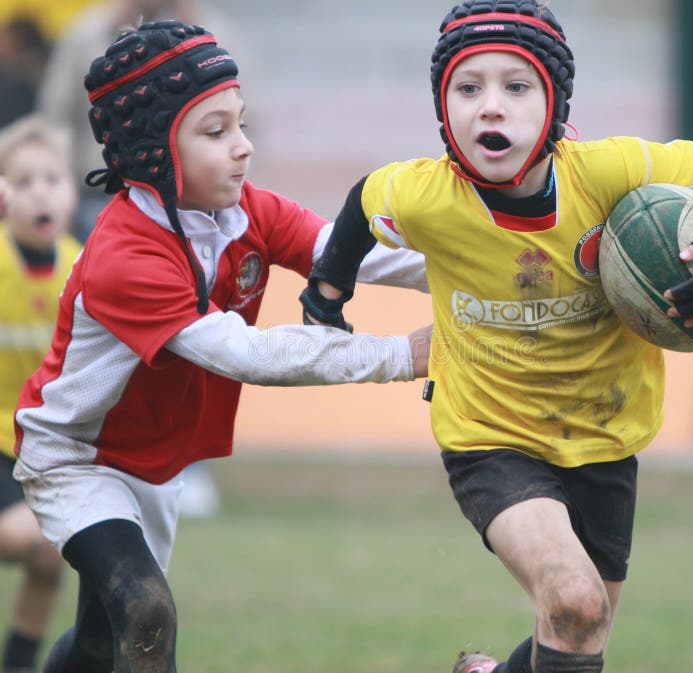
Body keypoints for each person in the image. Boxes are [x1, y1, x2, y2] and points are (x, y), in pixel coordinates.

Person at [300, 2, 693, 672]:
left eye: (516, 87)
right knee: (575, 602)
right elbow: (361, 206)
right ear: (444, 108)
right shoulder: (422, 194)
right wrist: (325, 294)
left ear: (553, 103)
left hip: (607, 435)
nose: (490, 107)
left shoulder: (607, 173)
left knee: (580, 627)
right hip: (489, 437)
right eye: (468, 88)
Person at [11, 20, 429, 673]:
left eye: (240, 124)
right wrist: (403, 354)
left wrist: (481, 268)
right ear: (154, 150)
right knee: (148, 613)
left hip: (155, 462)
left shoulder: (245, 209)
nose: (243, 147)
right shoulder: (125, 254)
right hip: (77, 459)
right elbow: (247, 354)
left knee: (98, 641)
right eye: (216, 132)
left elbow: (343, 251)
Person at [37, 0, 236, 242]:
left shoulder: (210, 30)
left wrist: (233, 188)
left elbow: (240, 113)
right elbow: (55, 118)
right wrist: (58, 188)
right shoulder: (87, 31)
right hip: (99, 192)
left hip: (191, 199)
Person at [0, 116, 81, 673]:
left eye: (51, 178)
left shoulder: (82, 268)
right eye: (23, 181)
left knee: (52, 553)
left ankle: (20, 661)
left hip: (39, 447)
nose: (39, 192)